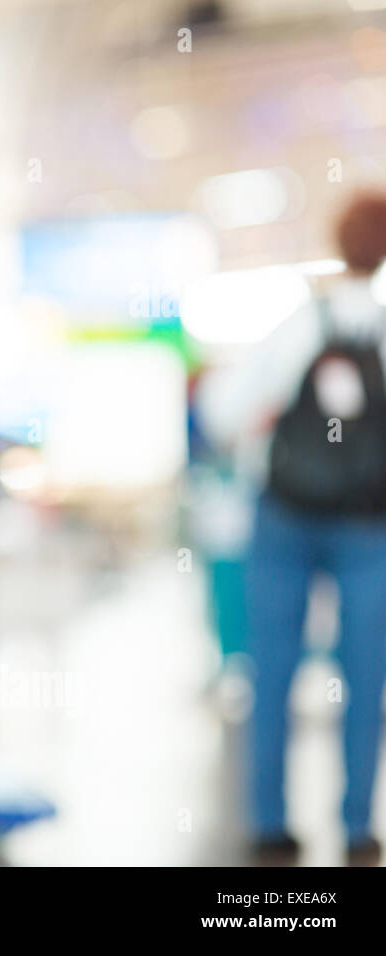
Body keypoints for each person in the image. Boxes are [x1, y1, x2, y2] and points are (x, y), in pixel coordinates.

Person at [197, 190, 386, 867]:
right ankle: (359, 826)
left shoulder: (300, 325)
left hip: (282, 517)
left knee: (270, 667)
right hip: (370, 527)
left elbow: (223, 413)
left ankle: (269, 823)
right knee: (367, 675)